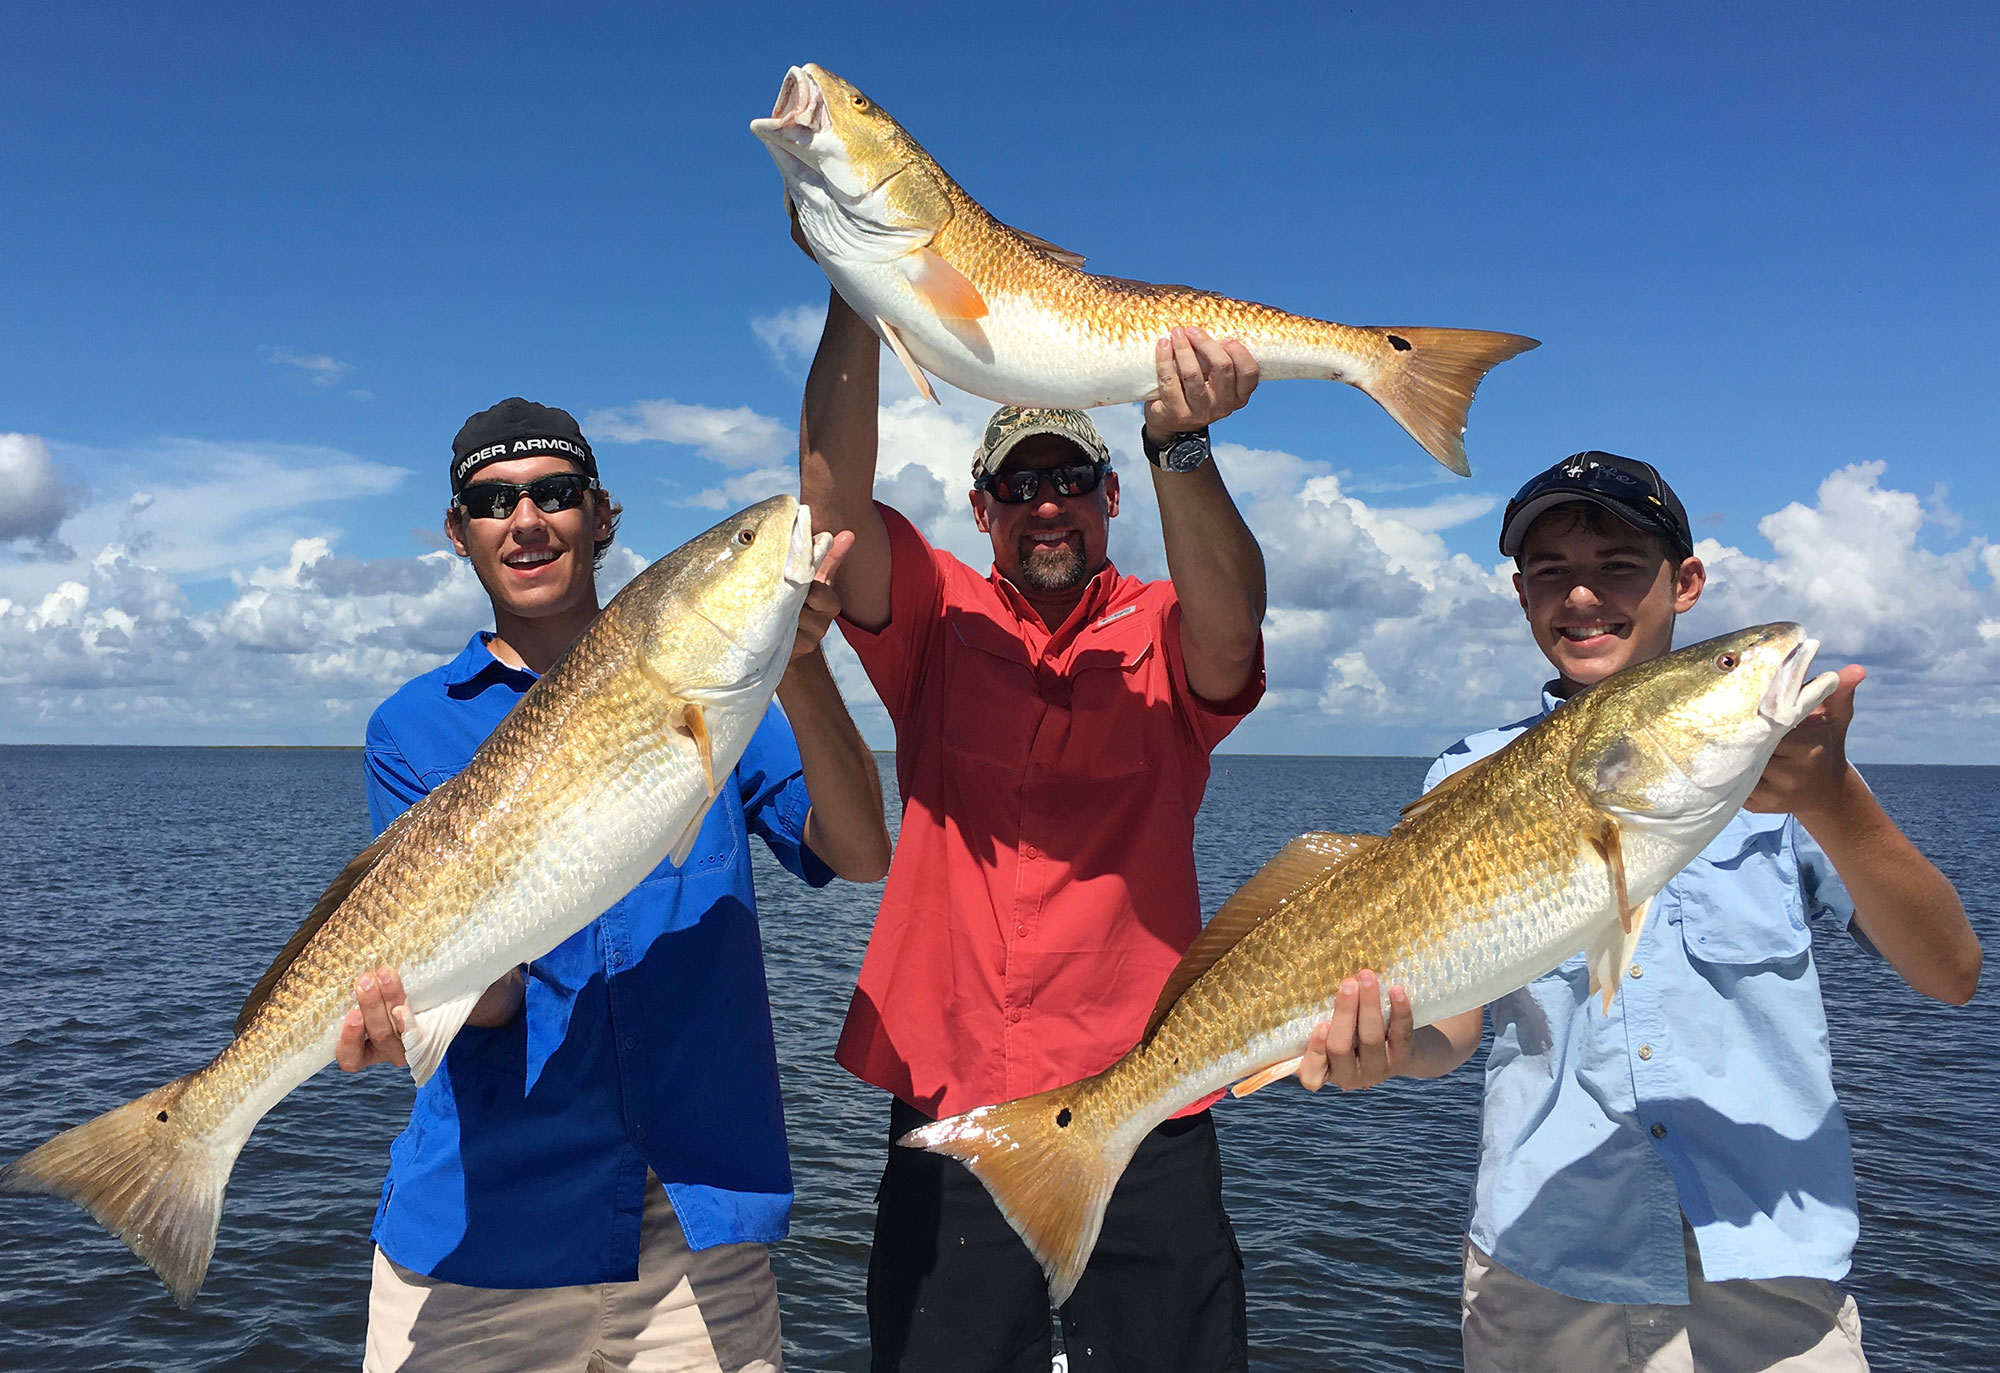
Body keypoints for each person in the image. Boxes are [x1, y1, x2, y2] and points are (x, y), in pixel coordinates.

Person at [1298, 450, 1981, 1372]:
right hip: (1544, 1274)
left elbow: (1951, 972)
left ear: (1685, 582)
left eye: (1619, 565)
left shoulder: (1792, 773)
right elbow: (1452, 1027)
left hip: (1771, 1281)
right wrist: (1384, 1053)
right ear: (1522, 597)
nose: (1583, 597)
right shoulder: (1468, 778)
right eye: (1552, 574)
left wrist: (1834, 800)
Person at [336, 397, 892, 1373]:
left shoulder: (728, 691)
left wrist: (799, 667)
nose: (526, 519)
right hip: (482, 1234)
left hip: (695, 1230)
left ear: (600, 515)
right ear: (458, 531)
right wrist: (420, 1000)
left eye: (554, 493)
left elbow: (856, 851)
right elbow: (496, 991)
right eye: (493, 499)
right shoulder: (411, 727)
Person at [797, 281, 1271, 1372]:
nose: (1045, 503)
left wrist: (1180, 448)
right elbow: (829, 512)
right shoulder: (934, 614)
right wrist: (852, 288)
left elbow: (1233, 623)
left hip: (1144, 1100)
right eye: (1018, 484)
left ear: (1110, 495)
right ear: (981, 507)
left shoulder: (1162, 625)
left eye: (1068, 480)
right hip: (954, 1091)